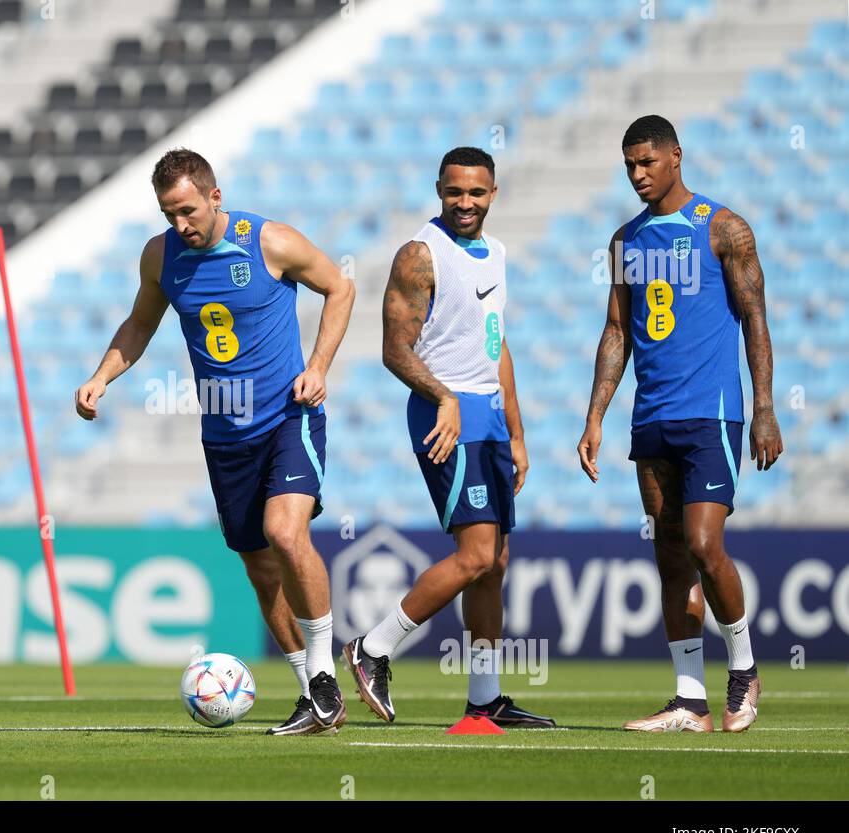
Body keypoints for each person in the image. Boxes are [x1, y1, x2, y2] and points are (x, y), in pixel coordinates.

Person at [75, 149, 356, 735]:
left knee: (285, 532)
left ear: (214, 196)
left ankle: (327, 673)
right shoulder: (161, 255)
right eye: (168, 213)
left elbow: (340, 288)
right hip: (225, 436)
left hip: (289, 414)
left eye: (187, 210)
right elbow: (141, 323)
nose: (181, 224)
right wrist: (102, 377)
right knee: (259, 567)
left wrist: (321, 365)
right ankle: (311, 694)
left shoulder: (270, 241)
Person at [578, 115, 782, 733]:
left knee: (702, 543)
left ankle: (743, 668)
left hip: (713, 413)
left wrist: (766, 407)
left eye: (648, 162)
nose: (638, 174)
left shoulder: (723, 228)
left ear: (675, 158)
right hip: (652, 417)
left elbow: (755, 319)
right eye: (629, 164)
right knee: (671, 558)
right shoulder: (625, 241)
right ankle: (688, 701)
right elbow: (616, 331)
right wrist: (594, 418)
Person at [342, 147, 554, 729]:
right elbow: (394, 350)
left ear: (493, 193)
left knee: (496, 561)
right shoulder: (420, 255)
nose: (465, 203)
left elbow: (496, 344)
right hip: (445, 416)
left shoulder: (497, 254)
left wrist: (517, 431)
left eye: (476, 193)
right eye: (454, 192)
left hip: (486, 417)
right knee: (477, 554)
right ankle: (373, 648)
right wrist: (445, 398)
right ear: (439, 189)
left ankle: (485, 699)